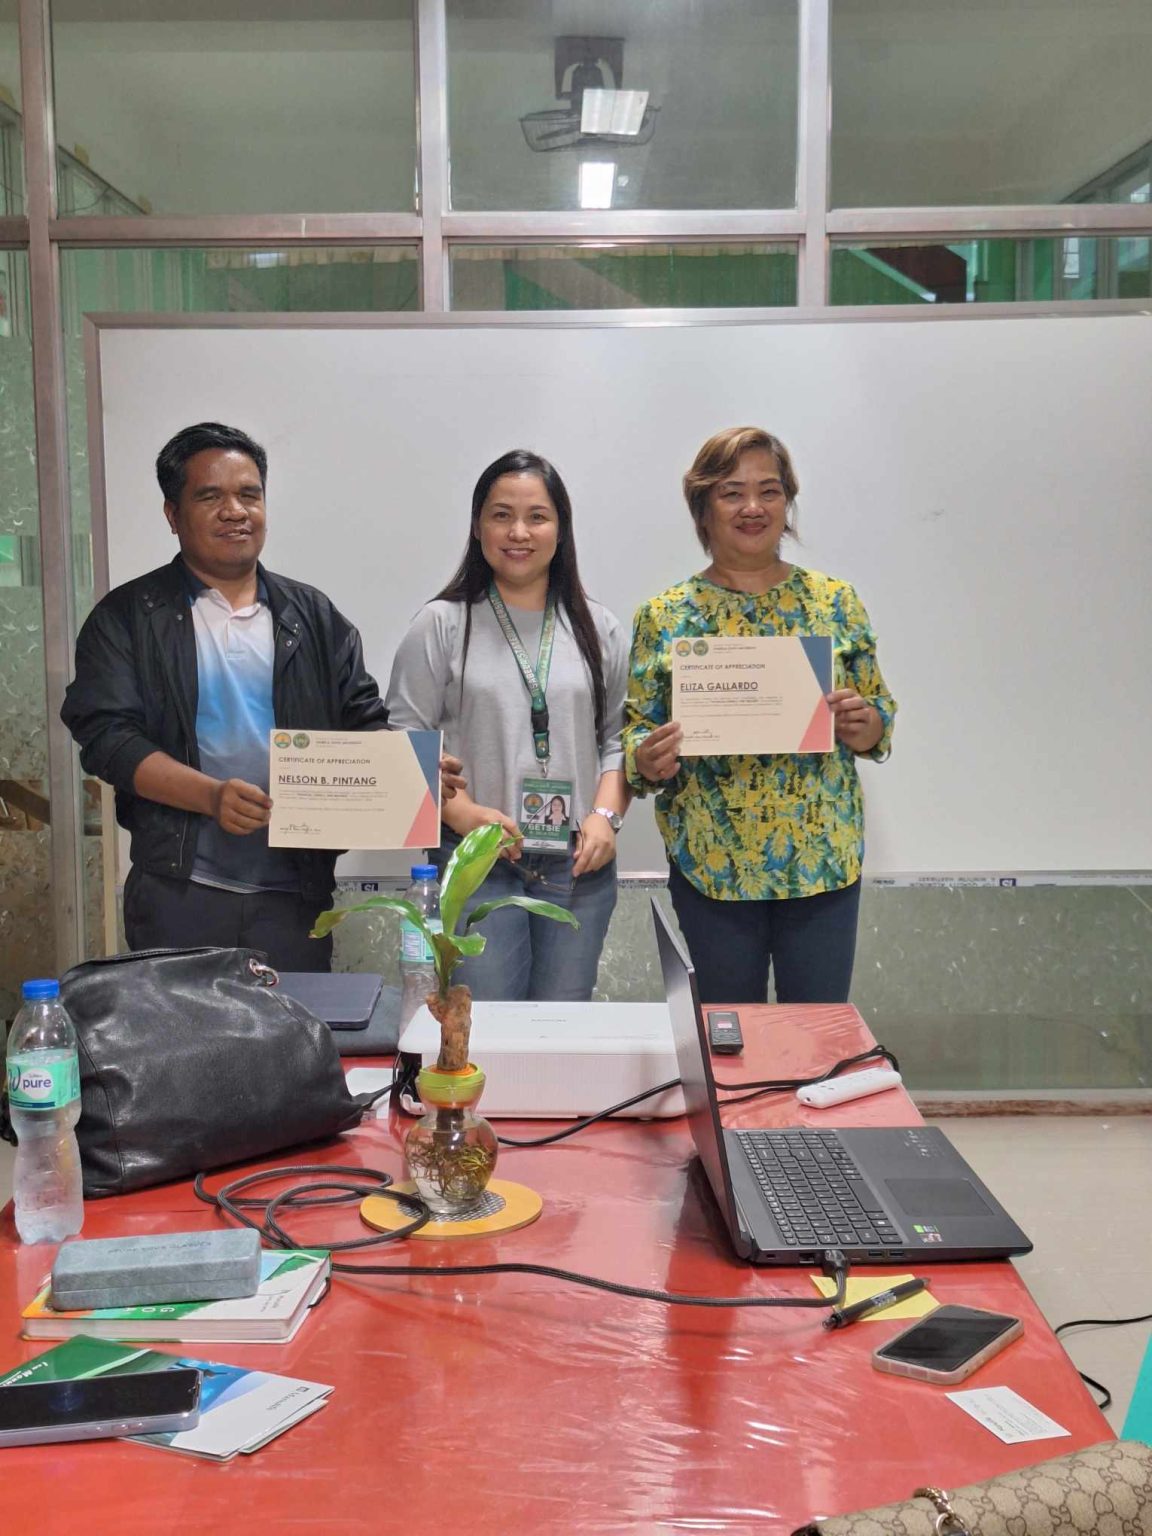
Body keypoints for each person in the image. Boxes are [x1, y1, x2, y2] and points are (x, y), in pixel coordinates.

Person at [61, 421, 462, 973]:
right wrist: (209, 797)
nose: (235, 510)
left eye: (249, 494)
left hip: (294, 893)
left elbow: (362, 721)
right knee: (184, 1052)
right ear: (172, 515)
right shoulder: (128, 616)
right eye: (210, 496)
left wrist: (412, 771)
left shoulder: (313, 616)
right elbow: (109, 740)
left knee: (295, 1049)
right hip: (180, 889)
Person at [623, 426, 897, 1005]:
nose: (753, 507)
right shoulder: (665, 615)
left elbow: (879, 717)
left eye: (769, 491)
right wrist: (647, 757)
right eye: (731, 493)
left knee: (818, 1043)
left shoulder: (834, 601)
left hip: (822, 860)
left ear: (788, 500)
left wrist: (864, 722)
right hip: (711, 865)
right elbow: (636, 736)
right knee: (729, 1043)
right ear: (702, 508)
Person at [386, 449, 629, 1001]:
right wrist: (463, 814)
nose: (518, 531)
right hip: (478, 860)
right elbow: (403, 742)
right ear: (477, 527)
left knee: (561, 1031)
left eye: (537, 517)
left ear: (561, 530)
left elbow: (618, 741)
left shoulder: (598, 627)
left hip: (577, 866)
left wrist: (605, 818)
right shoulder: (441, 623)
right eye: (501, 515)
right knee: (485, 1029)